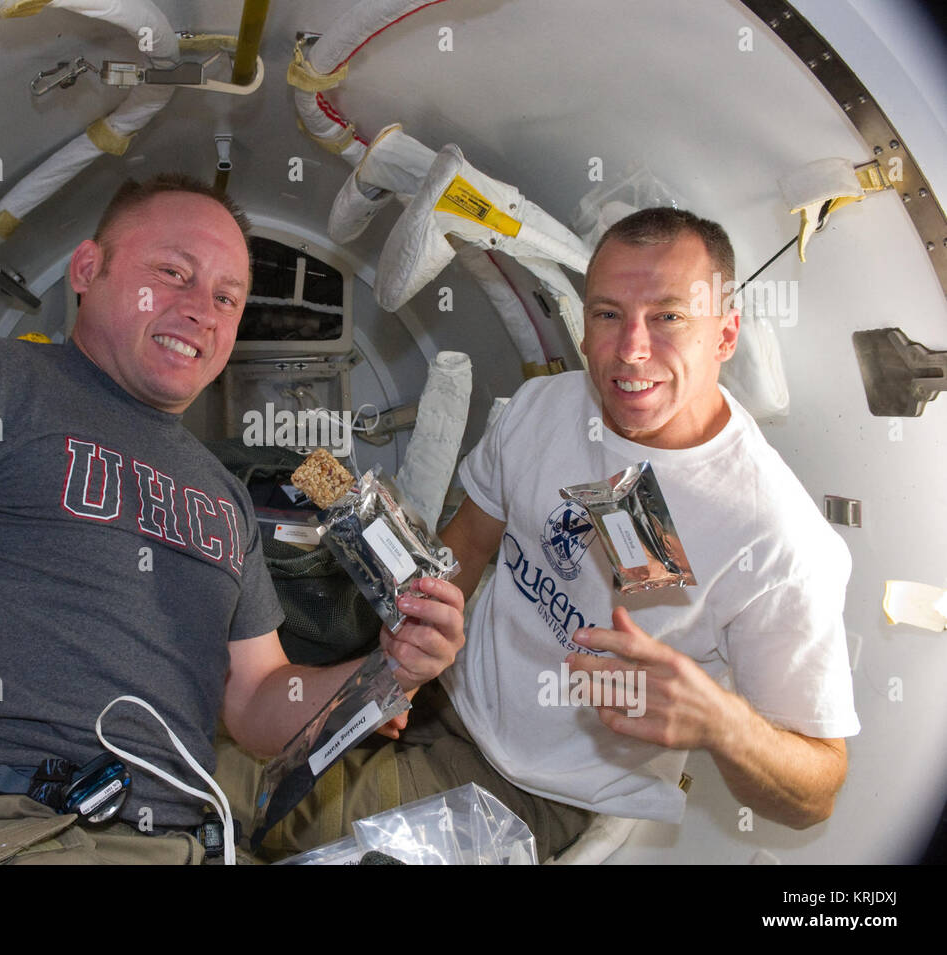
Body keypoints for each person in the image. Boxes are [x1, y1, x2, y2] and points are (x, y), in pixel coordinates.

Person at [0, 174, 466, 865]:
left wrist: (387, 671)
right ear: (87, 271)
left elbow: (261, 703)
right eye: (173, 273)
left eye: (229, 297)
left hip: (176, 843)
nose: (202, 309)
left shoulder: (224, 495)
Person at [232, 207, 859, 862]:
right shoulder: (548, 407)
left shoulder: (775, 538)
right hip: (441, 692)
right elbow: (469, 544)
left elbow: (818, 788)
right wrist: (407, 662)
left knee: (233, 801)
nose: (632, 347)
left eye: (669, 316)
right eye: (609, 313)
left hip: (525, 786)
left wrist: (722, 723)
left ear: (725, 333)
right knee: (216, 730)